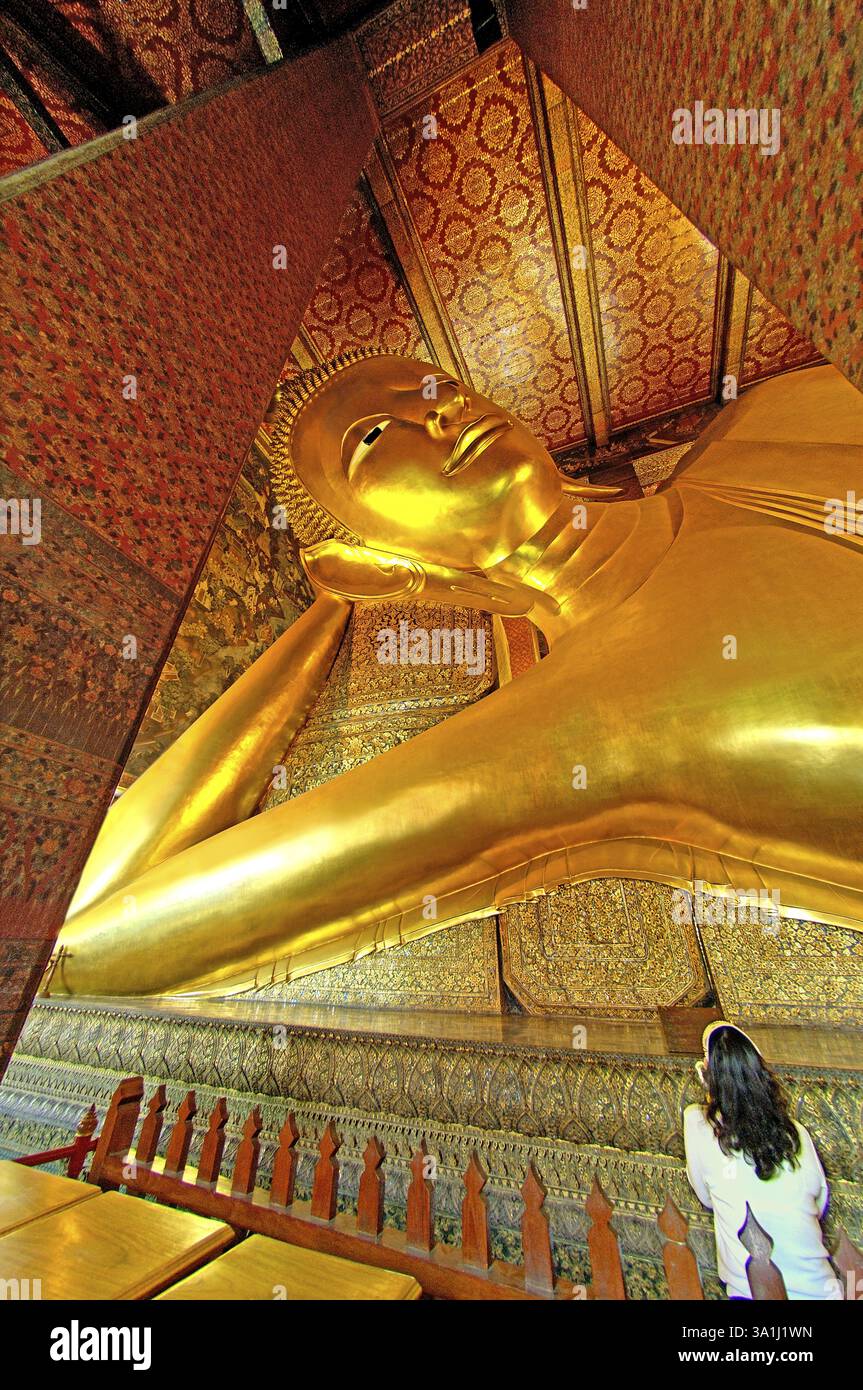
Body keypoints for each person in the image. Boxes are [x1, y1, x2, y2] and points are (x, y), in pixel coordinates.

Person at [684, 1022, 843, 1300]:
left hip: (750, 1290)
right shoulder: (796, 1135)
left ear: (708, 1078)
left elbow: (706, 1197)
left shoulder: (698, 1125)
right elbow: (819, 1203)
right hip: (821, 1288)